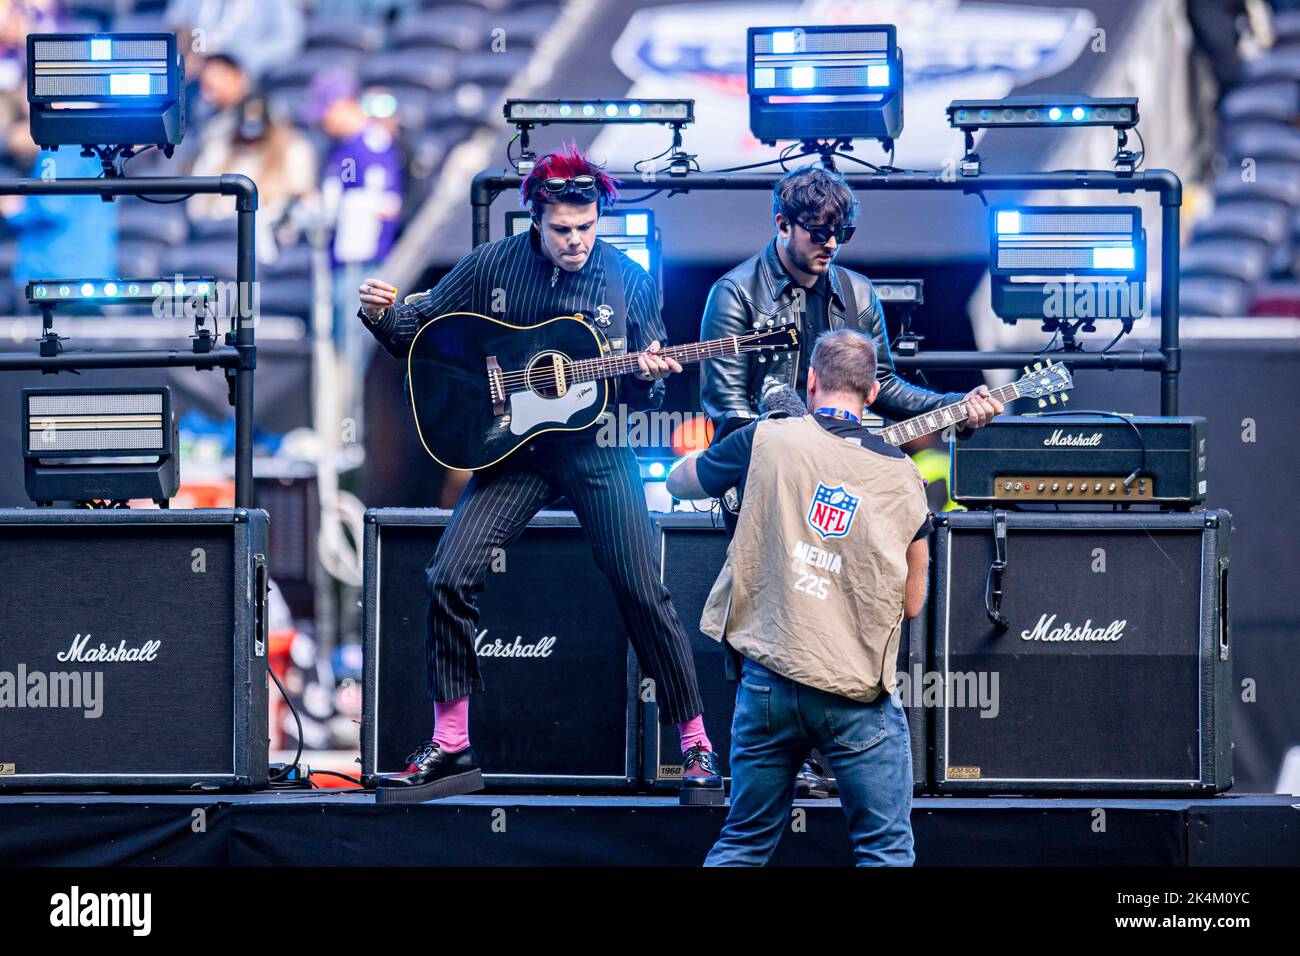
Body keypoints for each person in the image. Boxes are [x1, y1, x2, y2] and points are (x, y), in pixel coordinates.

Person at [356, 143, 722, 805]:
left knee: (643, 589)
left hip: (597, 450)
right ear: (536, 218)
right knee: (447, 574)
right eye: (563, 230)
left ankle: (695, 746)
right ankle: (451, 746)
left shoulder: (628, 280)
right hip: (512, 453)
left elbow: (652, 392)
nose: (577, 241)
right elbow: (420, 334)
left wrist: (651, 379)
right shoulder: (492, 265)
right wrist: (380, 313)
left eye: (587, 228)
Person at [697, 164, 1002, 796]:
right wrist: (798, 444)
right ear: (782, 224)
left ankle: (822, 754)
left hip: (839, 479)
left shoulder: (858, 294)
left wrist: (952, 407)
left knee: (841, 605)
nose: (830, 244)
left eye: (842, 232)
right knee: (769, 616)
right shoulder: (734, 294)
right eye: (817, 232)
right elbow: (726, 407)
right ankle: (767, 763)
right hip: (769, 474)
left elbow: (882, 385)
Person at [667, 329, 930, 866]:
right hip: (853, 690)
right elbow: (912, 602)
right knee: (885, 851)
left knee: (741, 843)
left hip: (767, 681)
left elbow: (679, 483)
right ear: (873, 393)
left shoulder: (768, 439)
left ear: (810, 382)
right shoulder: (905, 478)